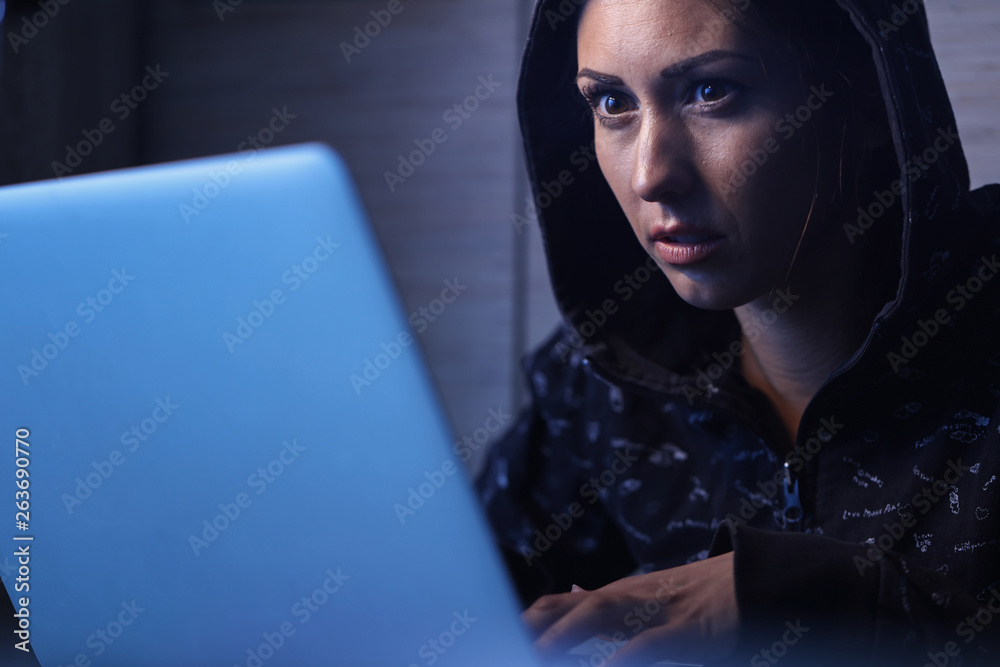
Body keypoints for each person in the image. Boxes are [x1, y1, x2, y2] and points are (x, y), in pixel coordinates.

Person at [475, 0, 1000, 664]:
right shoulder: (607, 377)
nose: (651, 175)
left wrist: (832, 605)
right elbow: (482, 600)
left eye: (710, 91)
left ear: (866, 96)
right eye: (611, 103)